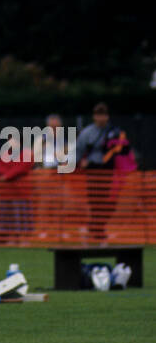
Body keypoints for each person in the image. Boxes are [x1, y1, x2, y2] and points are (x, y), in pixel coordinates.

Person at [74, 103, 115, 242]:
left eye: (103, 114)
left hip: (110, 171)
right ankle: (98, 230)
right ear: (94, 116)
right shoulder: (87, 132)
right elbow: (78, 152)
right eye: (98, 115)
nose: (101, 118)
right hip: (93, 171)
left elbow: (122, 151)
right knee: (94, 202)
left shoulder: (114, 132)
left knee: (107, 203)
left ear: (107, 116)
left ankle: (96, 227)